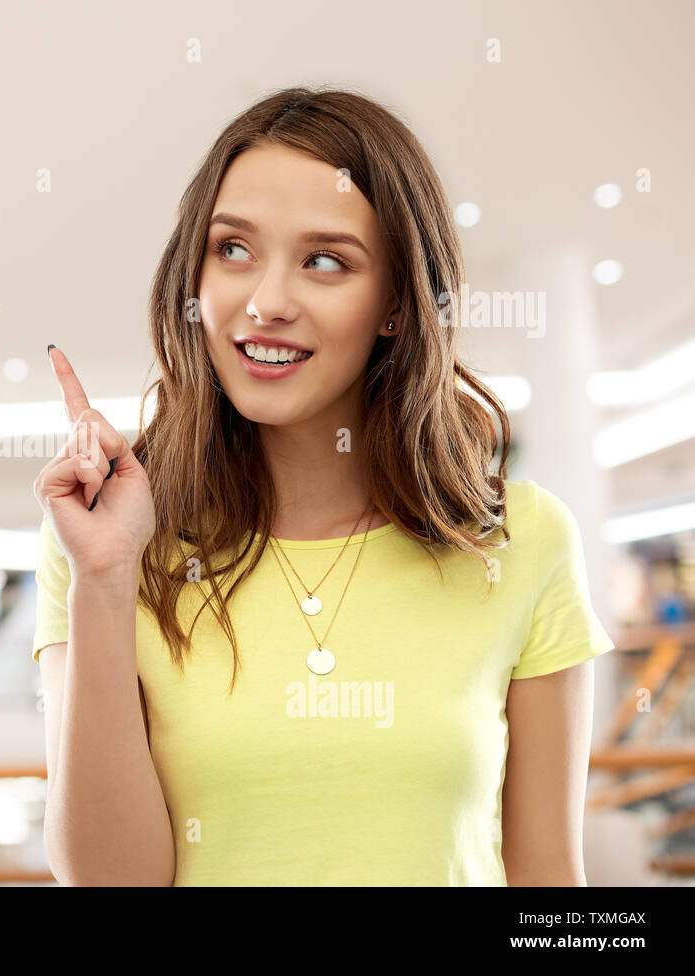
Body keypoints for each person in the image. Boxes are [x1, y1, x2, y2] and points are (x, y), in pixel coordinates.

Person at [30, 87, 614, 886]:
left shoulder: (522, 538)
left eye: (326, 261)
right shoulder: (104, 538)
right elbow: (110, 882)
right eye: (232, 249)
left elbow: (548, 884)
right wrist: (102, 578)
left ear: (398, 305)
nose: (266, 302)